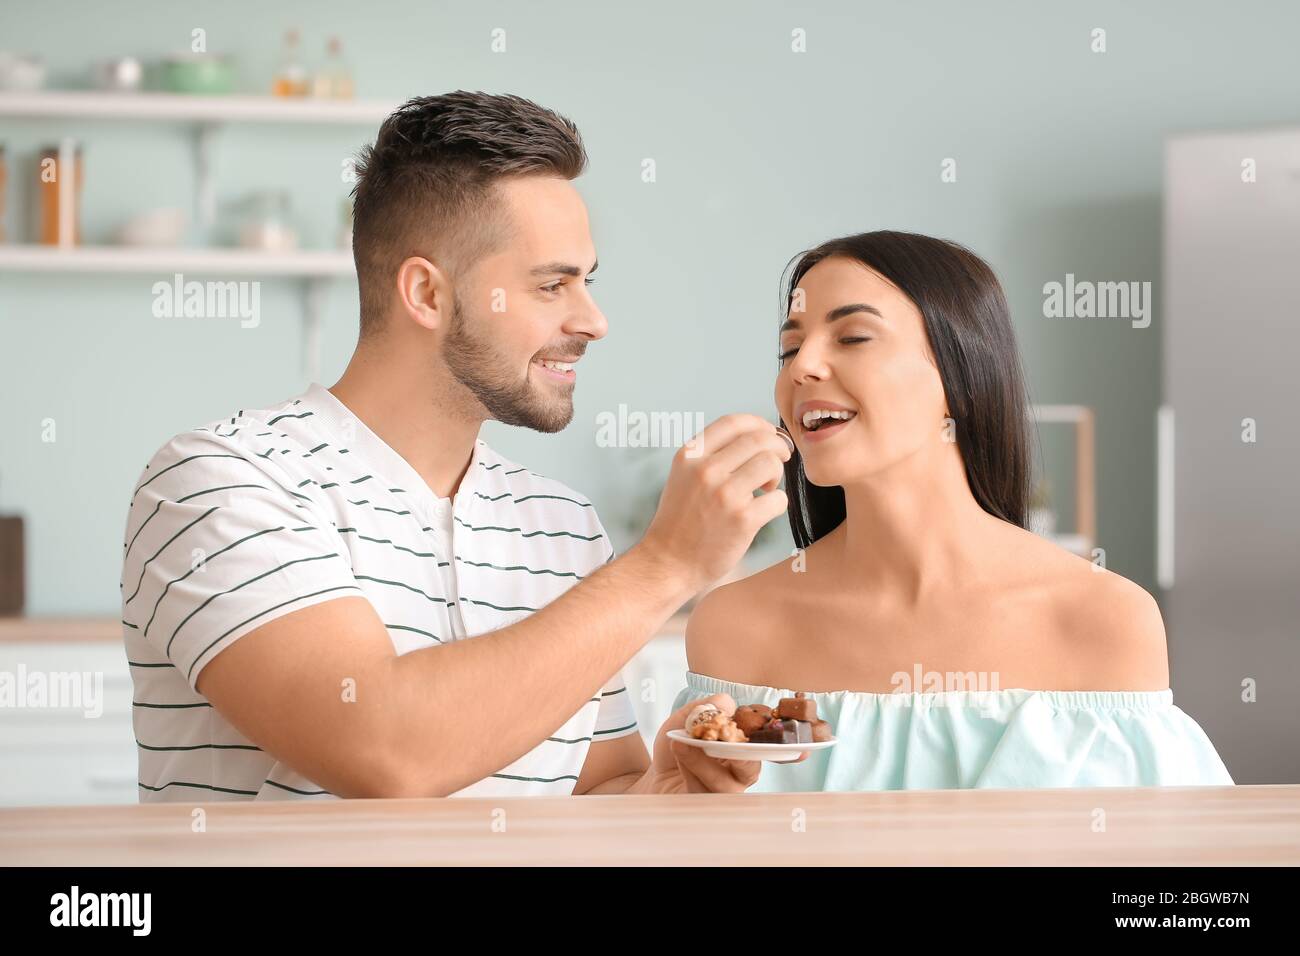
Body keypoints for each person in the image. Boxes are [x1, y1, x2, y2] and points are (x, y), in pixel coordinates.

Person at [120, 91, 788, 801]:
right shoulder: (221, 483)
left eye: (586, 282)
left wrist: (677, 786)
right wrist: (666, 567)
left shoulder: (560, 524)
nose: (593, 320)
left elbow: (598, 791)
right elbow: (384, 749)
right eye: (551, 284)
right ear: (427, 295)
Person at [675, 231, 1233, 789]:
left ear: (959, 369)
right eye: (790, 349)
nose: (802, 368)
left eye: (853, 336)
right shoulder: (733, 628)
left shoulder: (1104, 620)